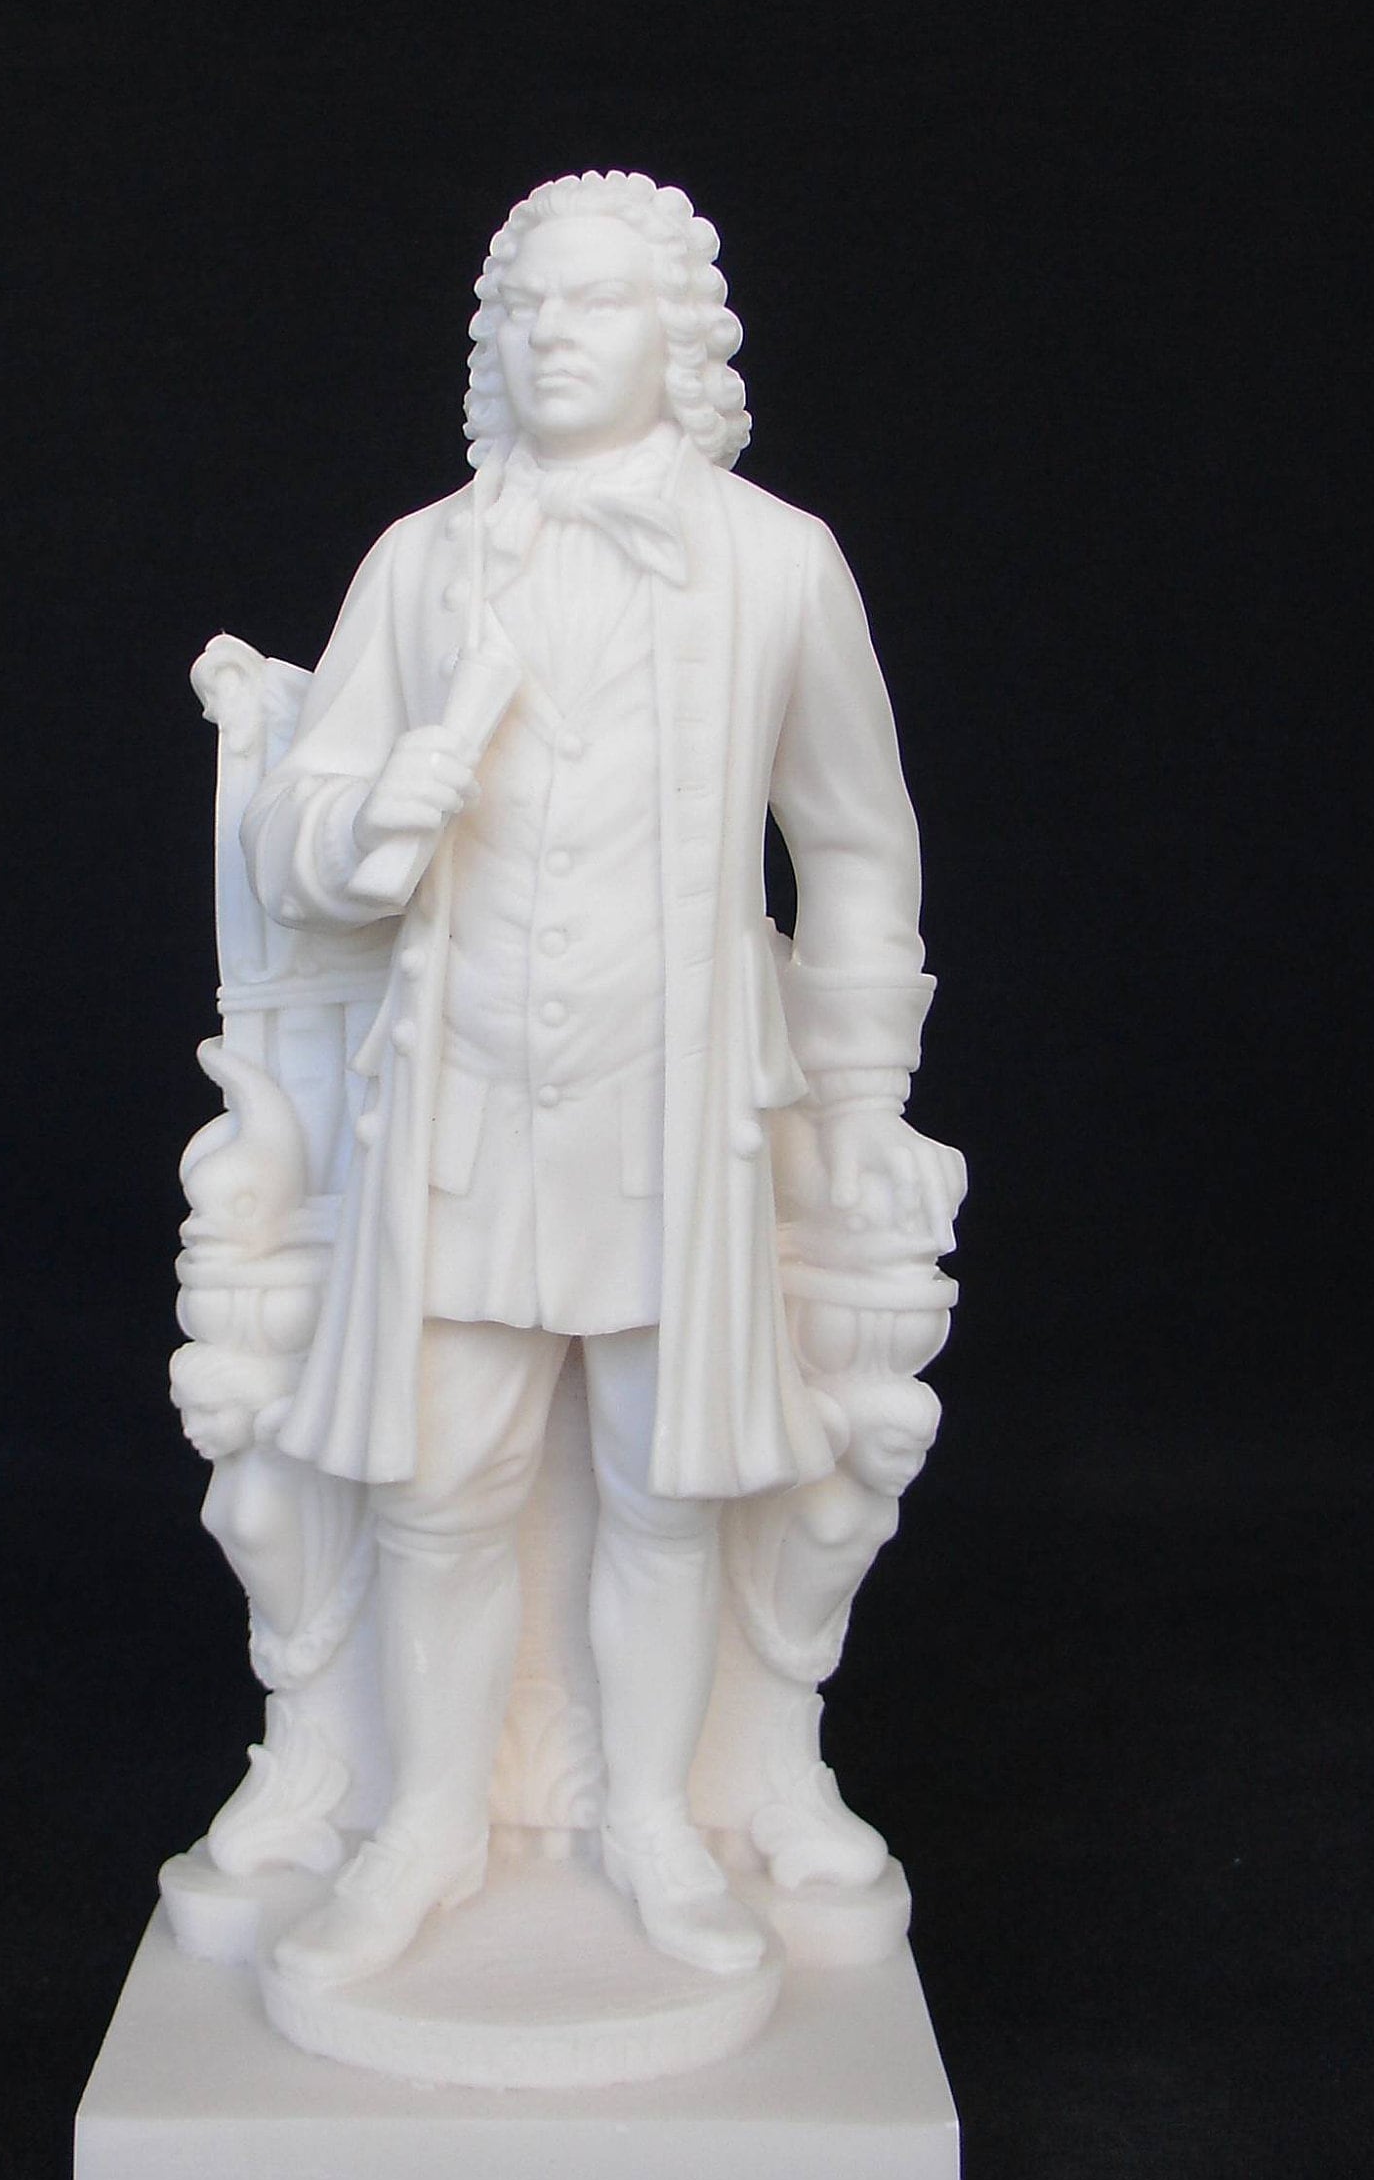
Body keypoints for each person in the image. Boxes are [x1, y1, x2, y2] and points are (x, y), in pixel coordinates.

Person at [239, 172, 955, 1988]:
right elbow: (298, 825)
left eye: (596, 304)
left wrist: (862, 1096)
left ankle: (651, 1814)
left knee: (667, 1484)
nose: (554, 337)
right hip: (461, 1104)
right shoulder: (420, 563)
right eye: (527, 309)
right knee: (438, 1481)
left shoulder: (777, 564)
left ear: (679, 340)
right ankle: (426, 1823)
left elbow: (854, 843)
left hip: (676, 1110)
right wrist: (366, 826)